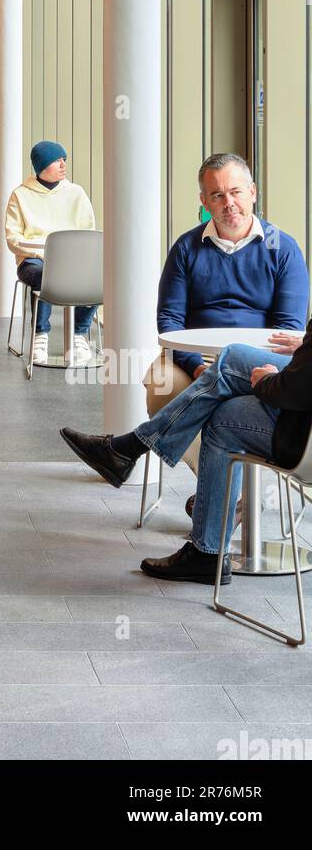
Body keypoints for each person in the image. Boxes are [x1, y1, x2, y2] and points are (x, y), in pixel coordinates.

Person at [61, 321, 312, 585]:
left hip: (303, 437)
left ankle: (130, 450)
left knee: (229, 373)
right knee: (231, 376)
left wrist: (268, 380)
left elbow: (295, 388)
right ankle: (128, 450)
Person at [144, 153, 307, 513]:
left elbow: (287, 332)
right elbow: (169, 319)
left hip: (260, 361)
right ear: (204, 201)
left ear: (253, 192)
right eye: (216, 195)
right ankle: (219, 488)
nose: (228, 202)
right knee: (161, 387)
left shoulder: (284, 249)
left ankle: (136, 451)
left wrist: (231, 370)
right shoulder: (186, 248)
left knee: (229, 404)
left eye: (235, 191)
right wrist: (196, 366)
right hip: (193, 357)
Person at [5, 139, 98, 366]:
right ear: (41, 166)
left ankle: (79, 333)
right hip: (34, 260)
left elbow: (88, 232)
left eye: (64, 160)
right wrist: (41, 252)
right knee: (45, 273)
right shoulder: (20, 195)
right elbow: (13, 238)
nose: (63, 165)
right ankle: (40, 335)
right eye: (56, 161)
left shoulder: (77, 193)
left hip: (73, 259)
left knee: (100, 274)